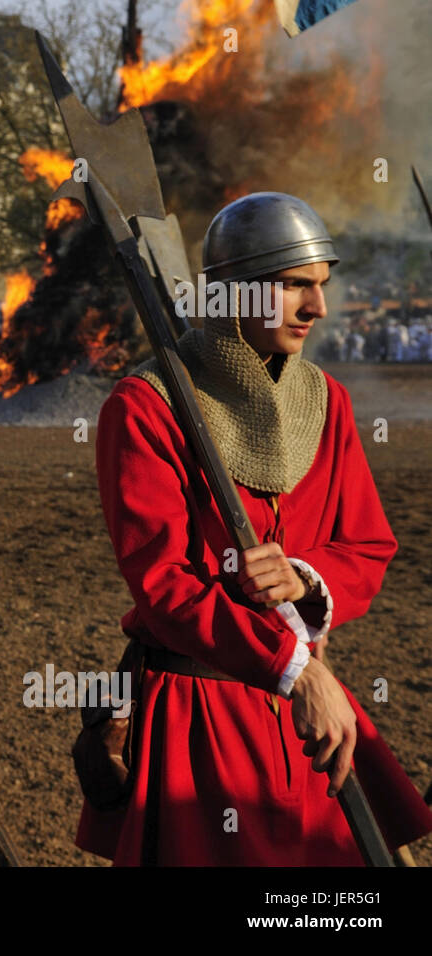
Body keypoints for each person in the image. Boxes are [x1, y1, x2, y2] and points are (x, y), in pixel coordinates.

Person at [77, 193, 432, 865]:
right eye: (296, 285)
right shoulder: (145, 406)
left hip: (309, 721)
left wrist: (304, 575)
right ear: (236, 290)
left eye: (320, 286)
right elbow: (165, 586)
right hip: (200, 713)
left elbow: (368, 544)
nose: (318, 308)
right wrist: (293, 670)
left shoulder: (329, 401)